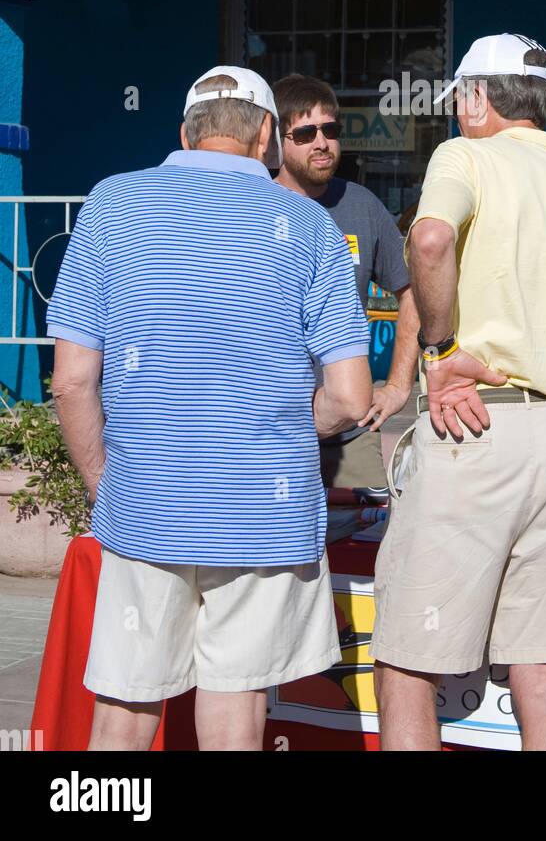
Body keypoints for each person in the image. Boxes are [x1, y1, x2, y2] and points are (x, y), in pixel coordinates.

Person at [47, 66, 372, 751]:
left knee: (125, 706)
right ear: (266, 138)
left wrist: (112, 485)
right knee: (237, 706)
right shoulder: (309, 224)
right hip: (265, 509)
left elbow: (72, 382)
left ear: (185, 133)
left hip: (147, 500)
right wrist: (285, 422)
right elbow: (349, 397)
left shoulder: (111, 203)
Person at [370, 33, 546, 751]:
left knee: (408, 660)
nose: (457, 109)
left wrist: (441, 349)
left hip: (477, 427)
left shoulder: (467, 156)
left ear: (478, 98)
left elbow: (427, 240)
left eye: (460, 96)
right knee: (543, 665)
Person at [272, 75, 419, 491]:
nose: (321, 143)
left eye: (330, 130)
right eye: (305, 132)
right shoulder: (255, 204)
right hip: (267, 435)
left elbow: (411, 292)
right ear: (278, 141)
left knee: (361, 548)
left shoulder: (361, 206)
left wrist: (396, 387)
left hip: (350, 438)